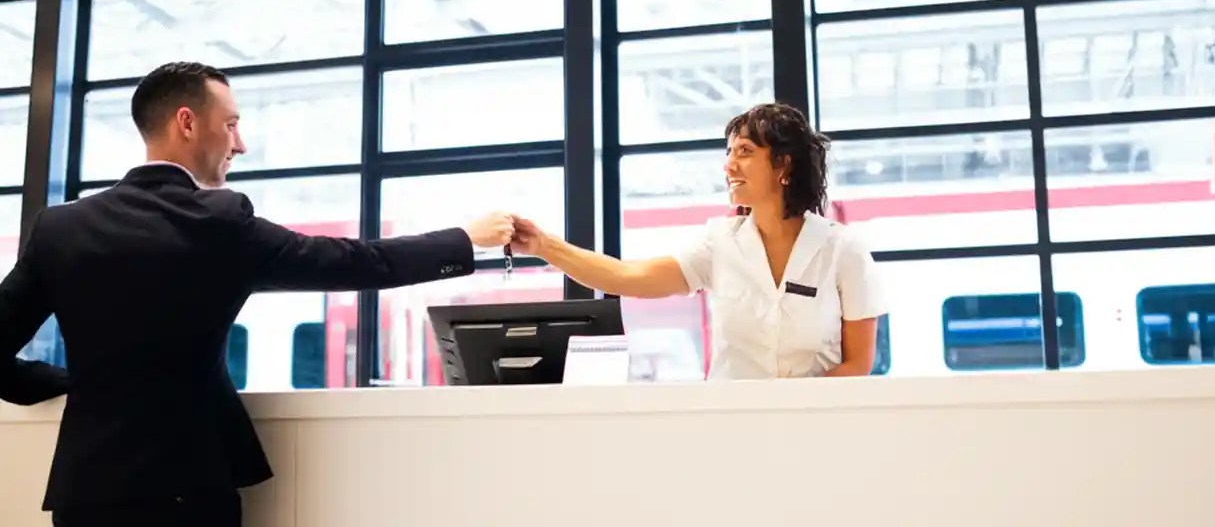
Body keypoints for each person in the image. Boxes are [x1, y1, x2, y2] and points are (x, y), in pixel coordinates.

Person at [0, 62, 514, 527]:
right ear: (186, 122)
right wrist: (465, 239)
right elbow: (355, 261)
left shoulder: (60, 227)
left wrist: (69, 382)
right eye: (230, 124)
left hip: (84, 493)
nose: (239, 144)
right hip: (188, 491)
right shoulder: (219, 221)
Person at [511, 102, 888, 380]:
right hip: (728, 432)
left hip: (815, 434)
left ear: (784, 165)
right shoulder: (720, 243)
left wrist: (797, 416)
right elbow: (628, 277)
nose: (729, 165)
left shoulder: (843, 250)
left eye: (745, 152)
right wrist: (546, 246)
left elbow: (858, 363)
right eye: (728, 153)